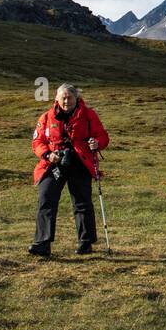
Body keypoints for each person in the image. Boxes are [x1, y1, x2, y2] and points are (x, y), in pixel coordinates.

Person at [29, 83, 109, 257]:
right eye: (63, 97)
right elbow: (37, 142)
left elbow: (102, 136)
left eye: (69, 97)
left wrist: (97, 143)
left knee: (82, 202)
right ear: (56, 99)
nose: (66, 101)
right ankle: (42, 243)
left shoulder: (88, 115)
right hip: (54, 163)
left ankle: (85, 242)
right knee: (46, 198)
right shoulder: (46, 117)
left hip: (80, 161)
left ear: (76, 98)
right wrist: (48, 155)